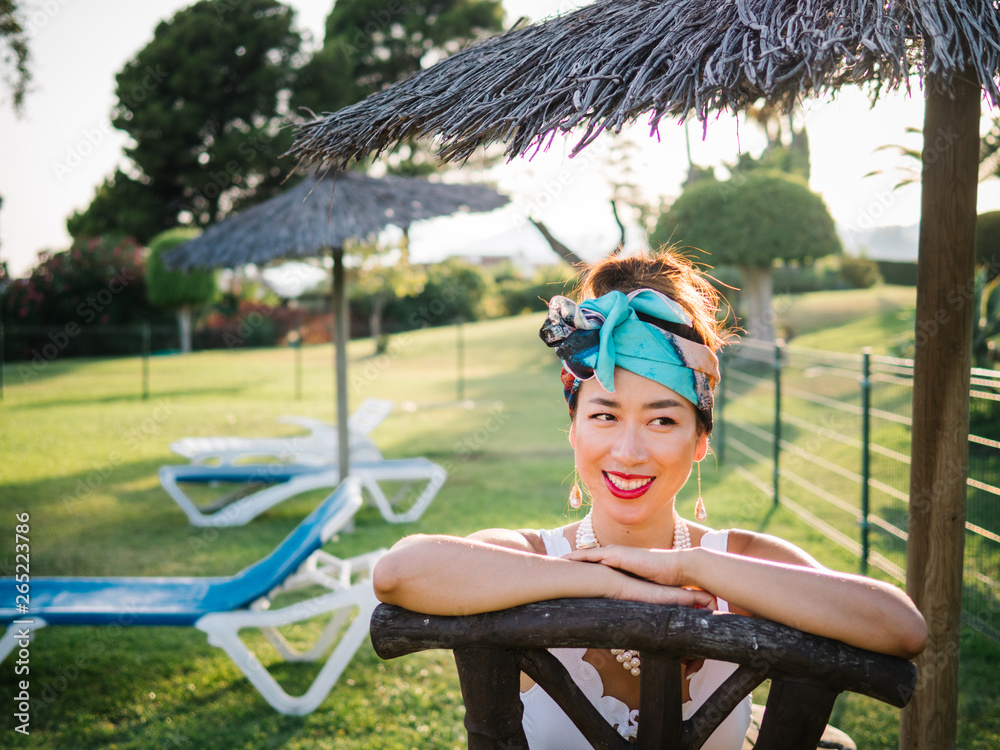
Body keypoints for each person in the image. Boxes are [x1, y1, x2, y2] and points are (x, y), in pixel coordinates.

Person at [373, 249, 927, 748]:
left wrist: (689, 564)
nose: (630, 451)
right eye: (604, 416)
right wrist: (605, 581)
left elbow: (900, 627)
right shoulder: (529, 560)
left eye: (663, 419)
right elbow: (400, 572)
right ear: (573, 430)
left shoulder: (732, 561)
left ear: (701, 439)